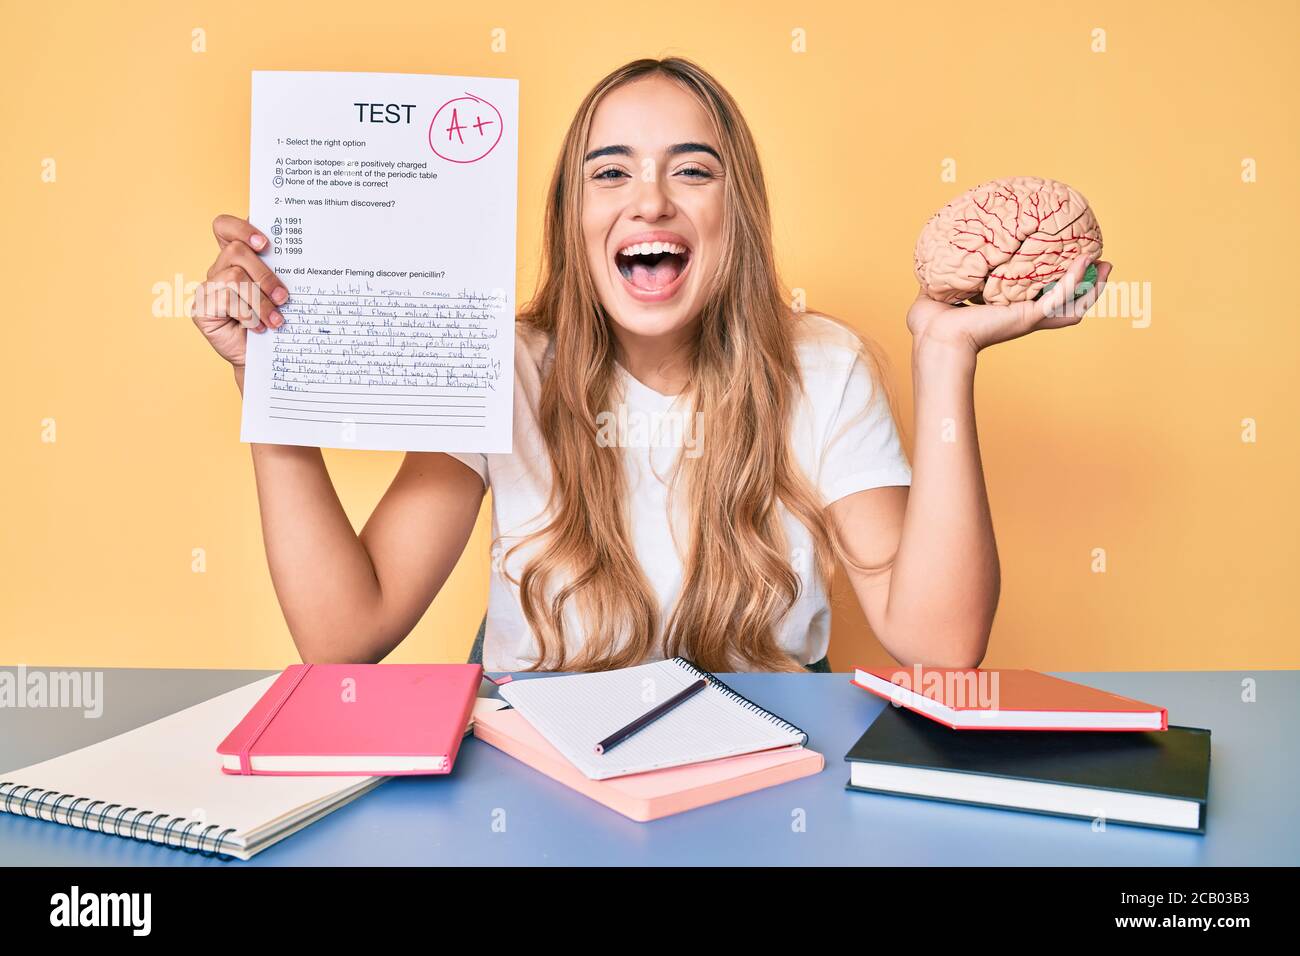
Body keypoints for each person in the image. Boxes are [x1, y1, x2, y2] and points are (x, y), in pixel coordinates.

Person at [190, 57, 1111, 673]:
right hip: (539, 790)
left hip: (761, 789)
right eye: (612, 172)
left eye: (694, 171)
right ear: (572, 217)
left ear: (736, 213)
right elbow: (345, 635)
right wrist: (267, 385)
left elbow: (942, 647)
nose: (652, 202)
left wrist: (944, 355)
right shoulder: (501, 370)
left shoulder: (822, 370)